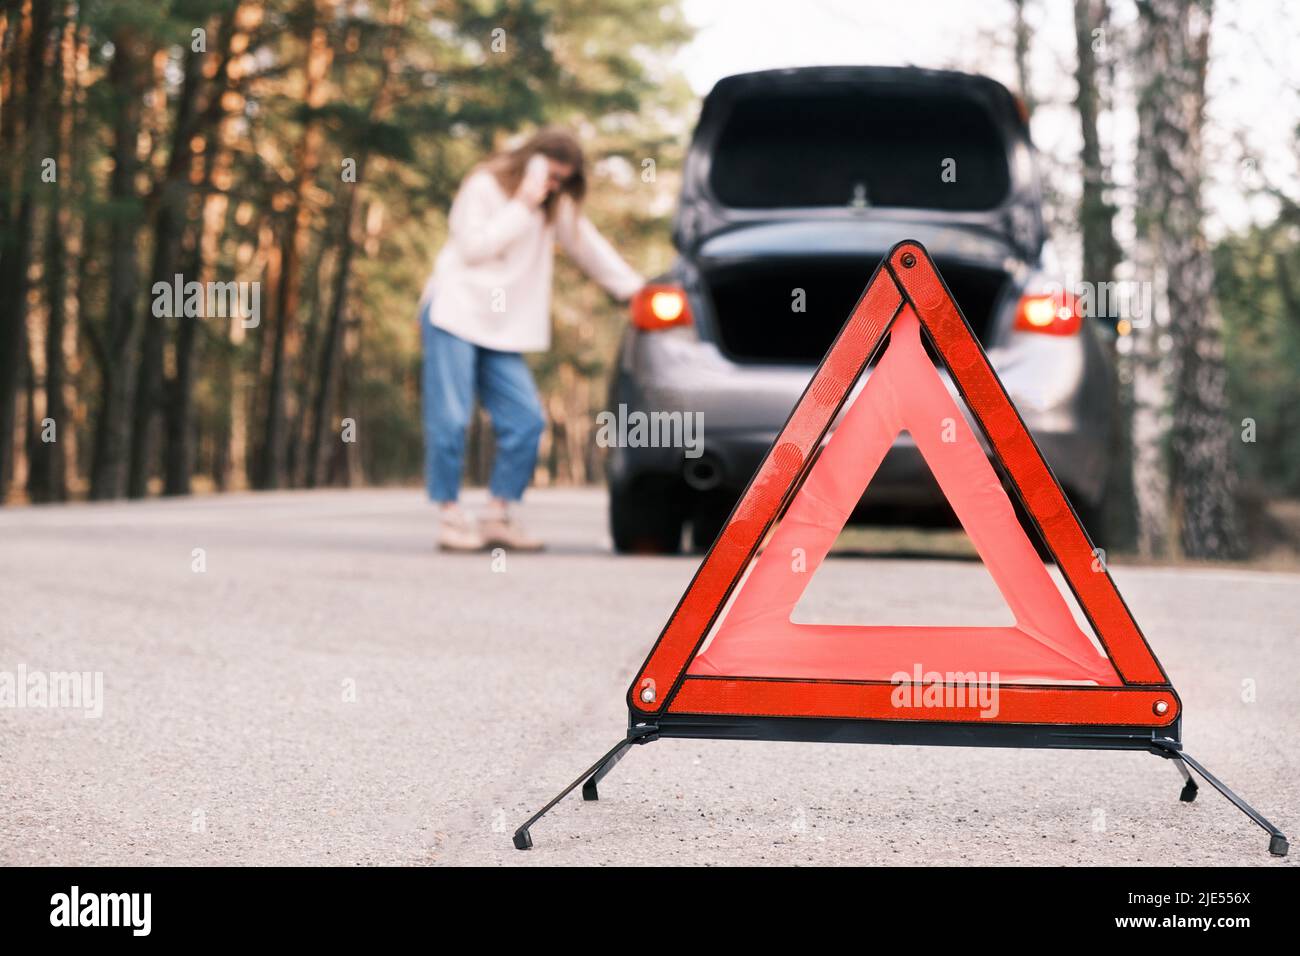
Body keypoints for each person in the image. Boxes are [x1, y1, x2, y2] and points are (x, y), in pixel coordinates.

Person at [417, 128, 644, 552]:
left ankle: (496, 515)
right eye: (549, 175)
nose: (553, 186)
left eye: (562, 180)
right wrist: (522, 202)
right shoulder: (485, 185)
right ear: (530, 161)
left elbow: (589, 248)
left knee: (526, 420)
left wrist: (634, 291)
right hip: (454, 311)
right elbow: (473, 248)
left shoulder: (552, 208)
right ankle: (450, 517)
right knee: (450, 417)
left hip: (500, 328)